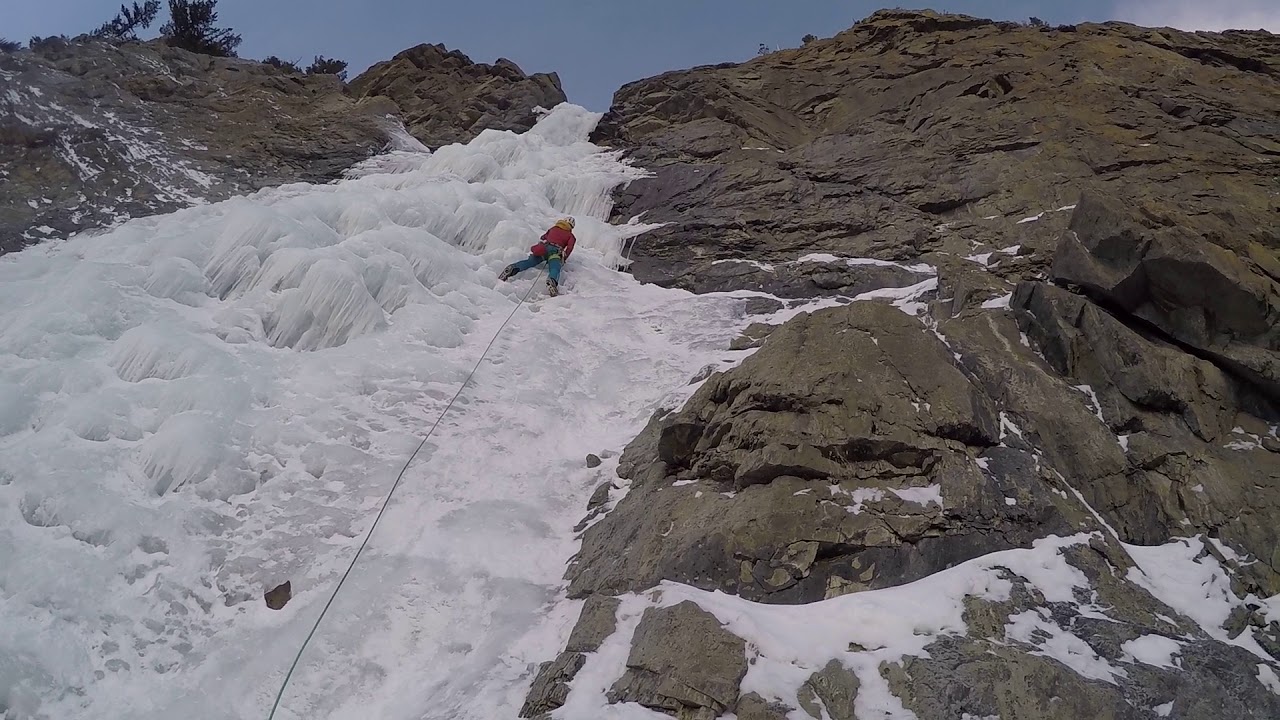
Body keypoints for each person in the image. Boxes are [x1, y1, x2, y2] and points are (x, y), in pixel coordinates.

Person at [499, 217, 576, 296]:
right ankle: (551, 280)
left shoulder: (553, 228)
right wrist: (564, 258)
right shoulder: (570, 236)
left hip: (543, 249)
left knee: (530, 262)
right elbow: (569, 248)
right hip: (555, 252)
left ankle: (512, 267)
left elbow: (543, 237)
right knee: (555, 267)